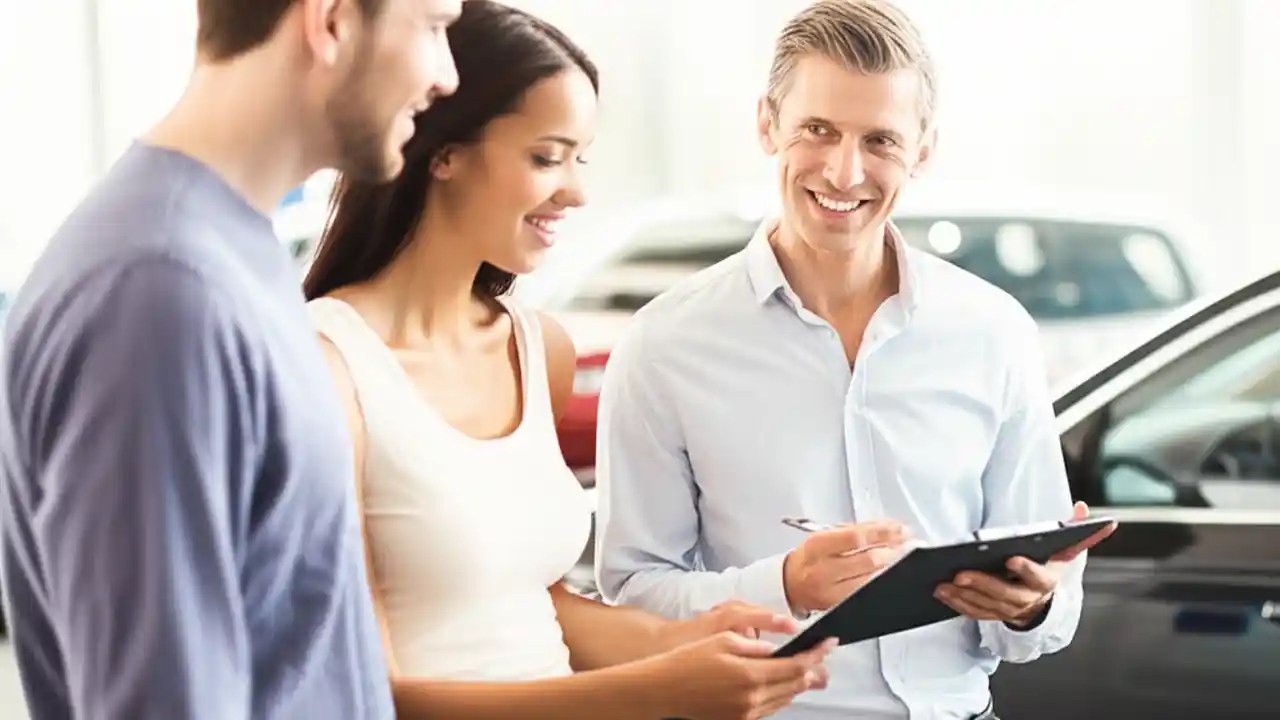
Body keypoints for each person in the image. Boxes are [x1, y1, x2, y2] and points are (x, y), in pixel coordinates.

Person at [301, 2, 837, 719]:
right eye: (546, 157)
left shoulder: (536, 347)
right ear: (444, 152)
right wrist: (658, 688)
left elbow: (534, 606)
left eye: (579, 158)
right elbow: (364, 693)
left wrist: (681, 639)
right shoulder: (327, 365)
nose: (577, 191)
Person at [594, 1, 1116, 719]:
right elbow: (631, 598)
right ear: (767, 124)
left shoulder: (993, 332)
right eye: (818, 130)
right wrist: (782, 585)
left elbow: (1044, 618)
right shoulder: (664, 346)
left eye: (880, 140)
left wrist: (1031, 606)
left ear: (923, 151)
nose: (845, 172)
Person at [0, 1, 464, 718]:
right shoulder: (160, 292)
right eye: (433, 26)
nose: (447, 75)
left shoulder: (224, 252)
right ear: (331, 21)